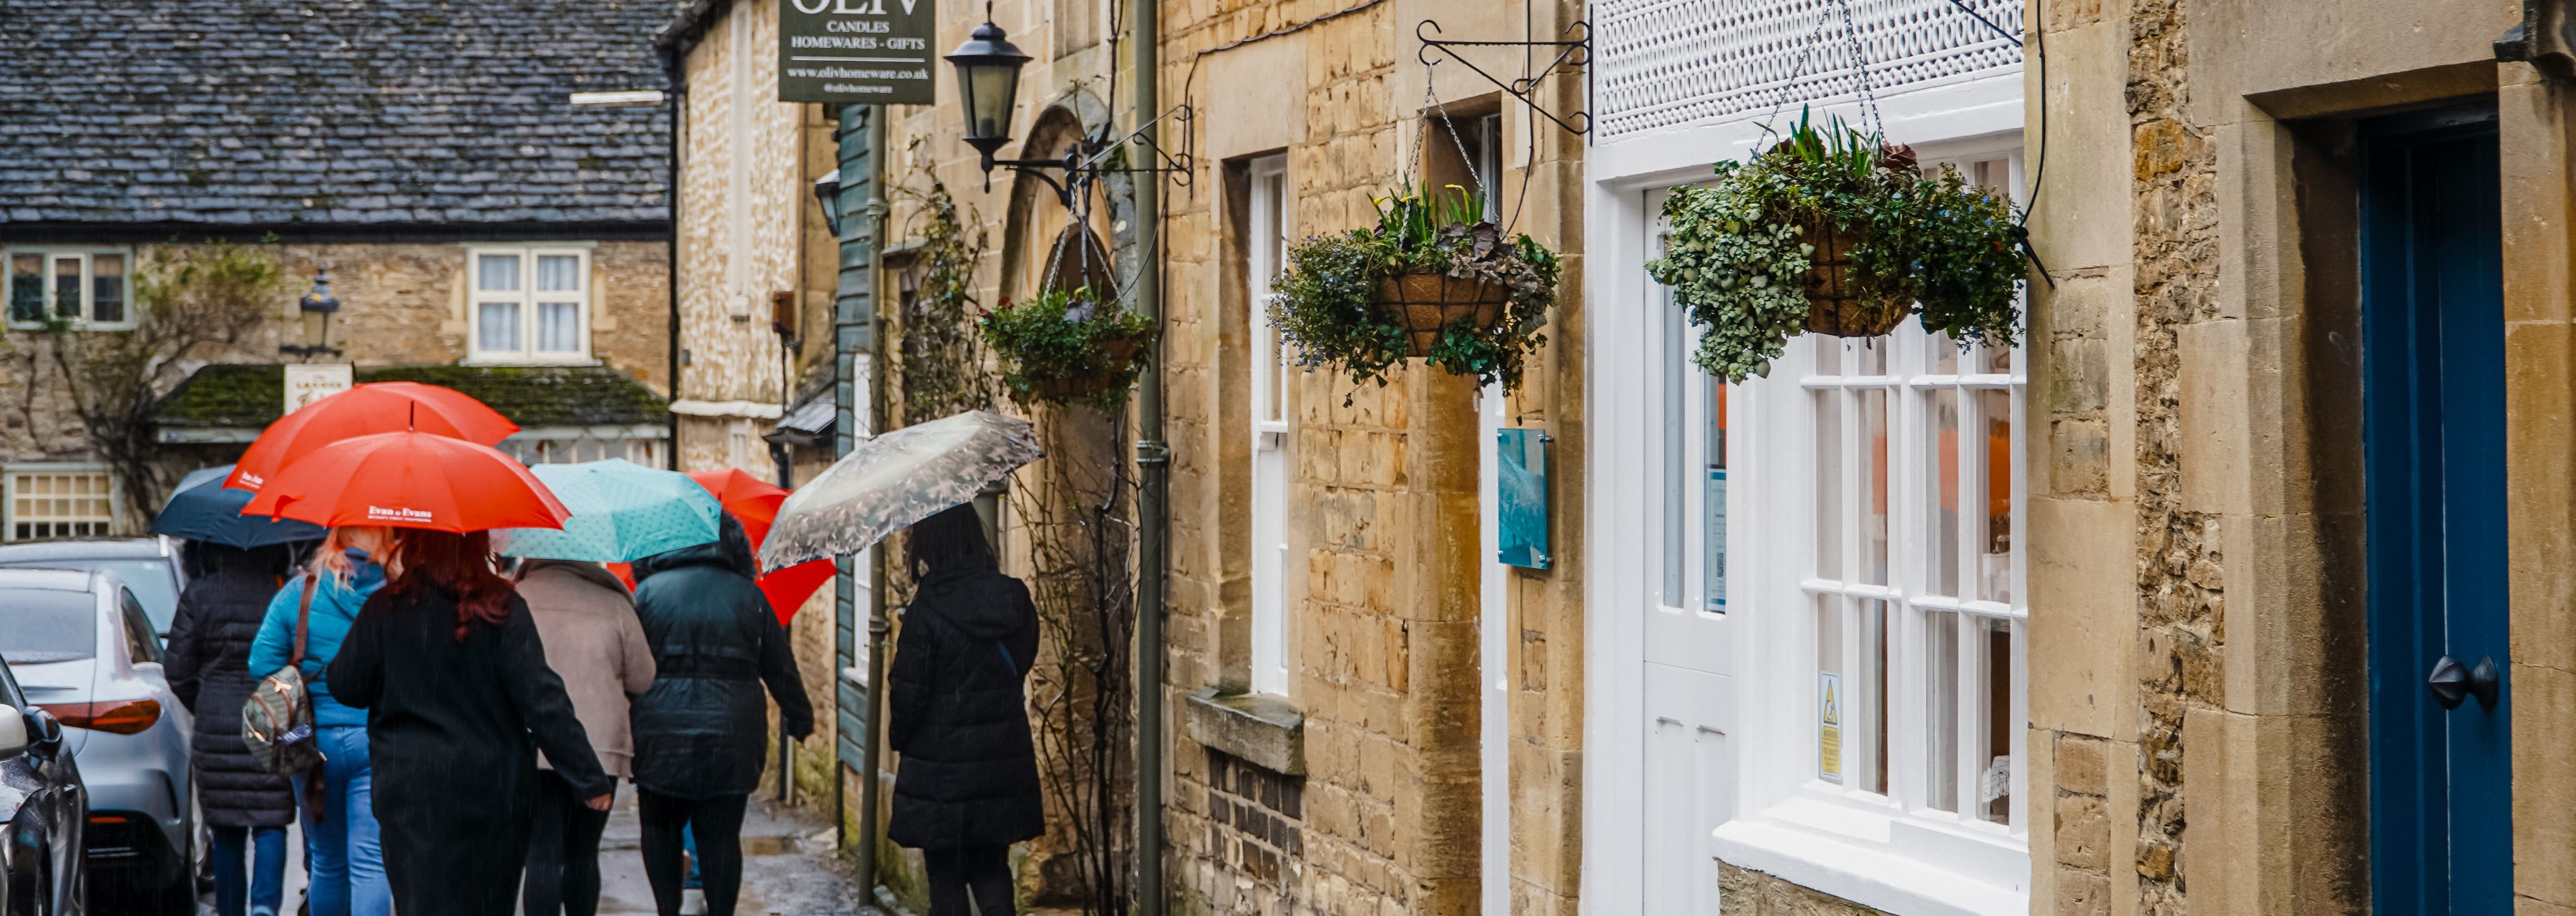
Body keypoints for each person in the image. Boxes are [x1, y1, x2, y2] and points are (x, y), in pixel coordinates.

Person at [324, 530, 613, 916]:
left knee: (421, 904)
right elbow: (540, 697)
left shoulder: (386, 606)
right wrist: (587, 778)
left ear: (413, 542)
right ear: (479, 544)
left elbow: (347, 687)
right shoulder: (503, 605)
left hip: (413, 788)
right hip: (493, 788)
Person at [628, 515, 813, 916]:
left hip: (660, 732)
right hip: (732, 733)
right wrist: (799, 716)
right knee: (721, 837)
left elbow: (626, 668)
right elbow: (780, 666)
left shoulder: (646, 595)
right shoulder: (749, 596)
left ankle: (666, 909)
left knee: (659, 828)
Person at [887, 505, 1043, 916]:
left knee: (946, 875)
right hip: (999, 762)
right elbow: (1020, 663)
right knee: (991, 867)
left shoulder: (925, 613)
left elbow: (908, 697)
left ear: (930, 546)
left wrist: (900, 738)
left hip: (941, 767)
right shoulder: (1012, 599)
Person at [248, 527, 396, 916]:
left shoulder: (301, 593)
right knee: (371, 863)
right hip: (377, 741)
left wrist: (303, 672)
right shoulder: (400, 595)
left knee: (328, 863)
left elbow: (260, 664)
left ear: (336, 535)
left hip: (311, 743)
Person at [514, 558, 655, 916]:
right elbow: (643, 678)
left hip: (532, 745)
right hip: (598, 749)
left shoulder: (515, 597)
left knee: (541, 852)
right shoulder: (615, 603)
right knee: (583, 850)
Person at [168, 540, 301, 916]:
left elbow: (177, 669)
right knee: (272, 819)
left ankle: (231, 909)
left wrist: (207, 701)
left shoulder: (199, 593)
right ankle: (265, 907)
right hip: (274, 714)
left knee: (225, 828)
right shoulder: (282, 589)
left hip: (216, 719)